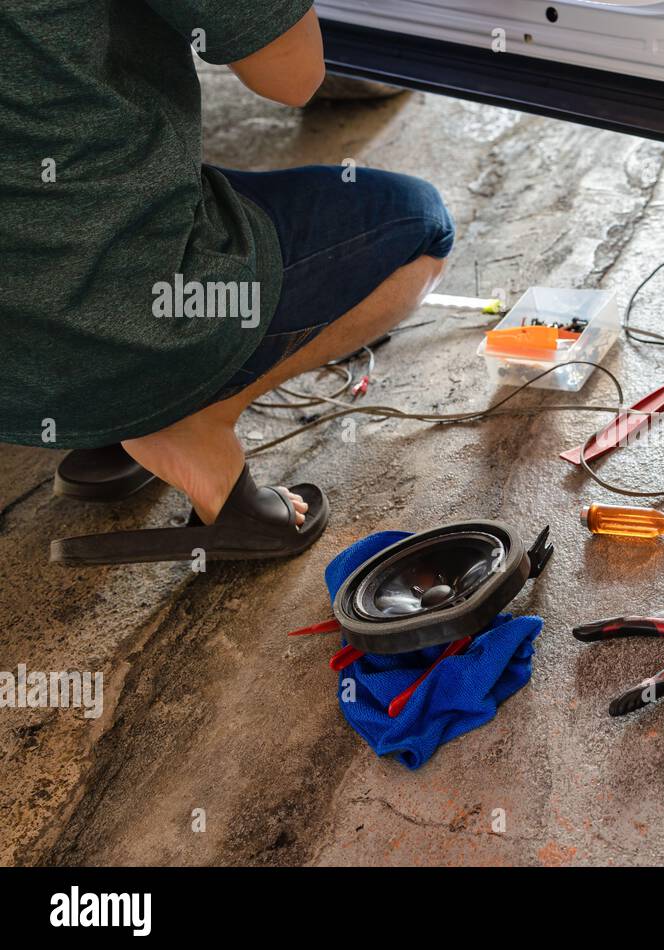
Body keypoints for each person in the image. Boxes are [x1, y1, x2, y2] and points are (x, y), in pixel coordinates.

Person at [0, 2, 454, 564]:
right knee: (420, 226)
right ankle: (182, 418)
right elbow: (294, 75)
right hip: (95, 295)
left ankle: (111, 413)